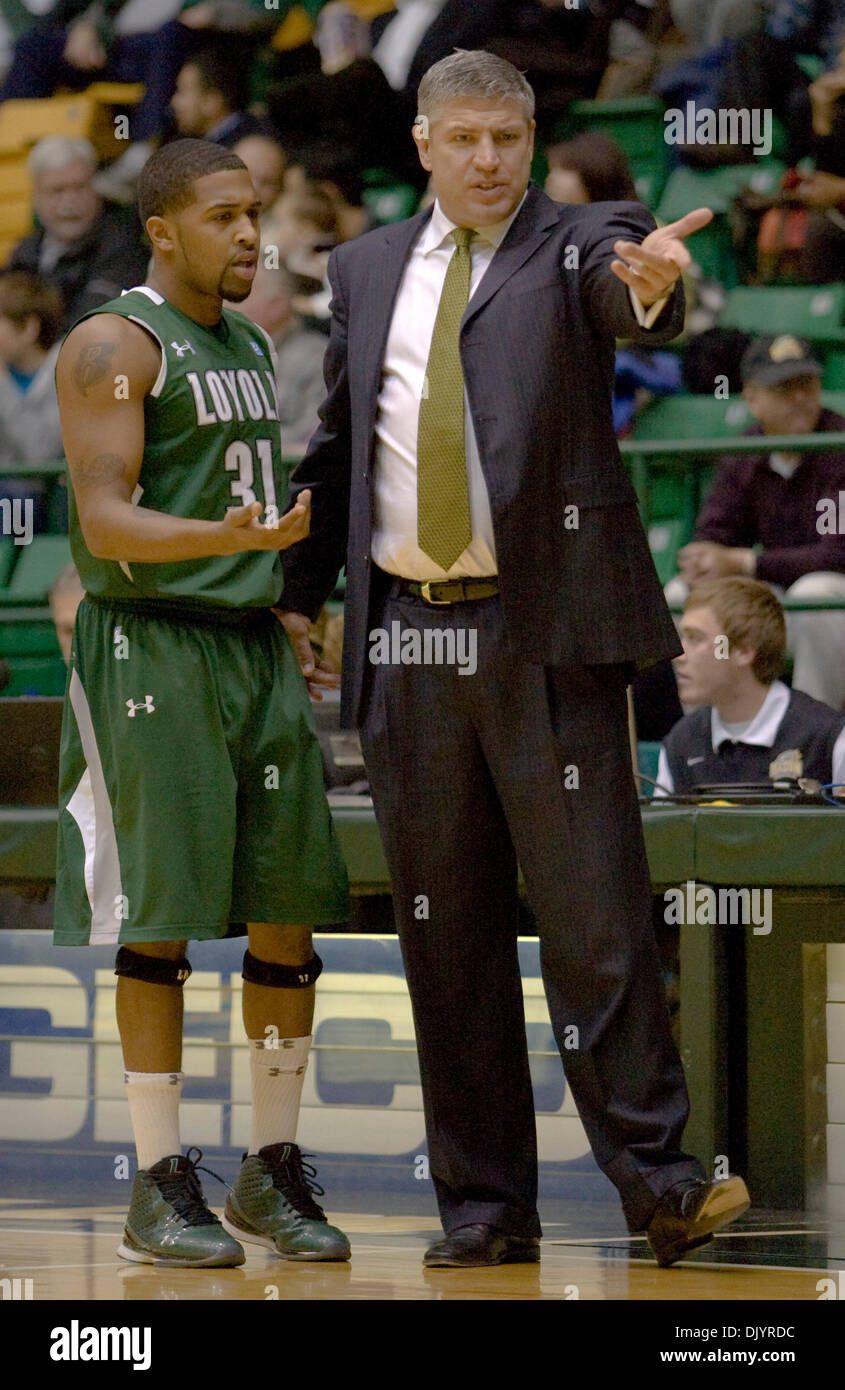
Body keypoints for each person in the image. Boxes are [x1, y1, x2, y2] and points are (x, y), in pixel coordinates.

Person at [275, 49, 750, 1269]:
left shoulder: (587, 239)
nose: (489, 161)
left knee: (597, 925)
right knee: (449, 934)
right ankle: (483, 1207)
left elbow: (628, 293)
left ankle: (661, 1183)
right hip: (407, 639)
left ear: (532, 141)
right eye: (466, 140)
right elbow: (340, 446)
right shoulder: (367, 266)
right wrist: (294, 590)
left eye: (509, 139)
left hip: (544, 633)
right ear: (425, 143)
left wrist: (654, 292)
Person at [53, 137, 350, 1267]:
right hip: (155, 649)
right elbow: (104, 521)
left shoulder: (251, 342)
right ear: (162, 230)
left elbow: (248, 508)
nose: (249, 234)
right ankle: (158, 1175)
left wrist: (271, 595)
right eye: (225, 215)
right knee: (164, 913)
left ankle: (269, 1171)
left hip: (248, 644)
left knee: (287, 904)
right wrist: (223, 543)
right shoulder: (111, 343)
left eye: (257, 212)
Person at [666, 335, 845, 712]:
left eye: (807, 385)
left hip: (827, 603)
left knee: (816, 593)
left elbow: (836, 554)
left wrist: (746, 563)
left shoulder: (838, 443)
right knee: (682, 596)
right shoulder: (744, 451)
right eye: (785, 388)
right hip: (772, 603)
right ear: (752, 399)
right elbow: (714, 535)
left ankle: (816, 735)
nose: (800, 398)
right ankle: (704, 740)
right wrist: (705, 559)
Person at [656, 577, 845, 795]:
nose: (678, 656)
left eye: (695, 639)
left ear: (743, 651)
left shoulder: (827, 738)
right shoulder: (681, 742)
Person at [8, 138, 149, 333]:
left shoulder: (122, 249)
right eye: (57, 191)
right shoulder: (26, 251)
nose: (69, 201)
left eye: (79, 187)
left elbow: (89, 329)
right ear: (36, 197)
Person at [0, 271, 66, 533]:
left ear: (28, 328)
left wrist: (2, 384)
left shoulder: (65, 371)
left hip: (38, 500)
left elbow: (39, 458)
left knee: (12, 499)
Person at [237, 261, 329, 447]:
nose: (224, 303)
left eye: (239, 294)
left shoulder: (320, 359)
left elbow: (311, 437)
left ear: (277, 304)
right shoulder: (214, 352)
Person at [170, 42, 263, 146]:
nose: (174, 102)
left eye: (182, 92)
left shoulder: (251, 150)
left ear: (211, 102)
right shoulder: (216, 145)